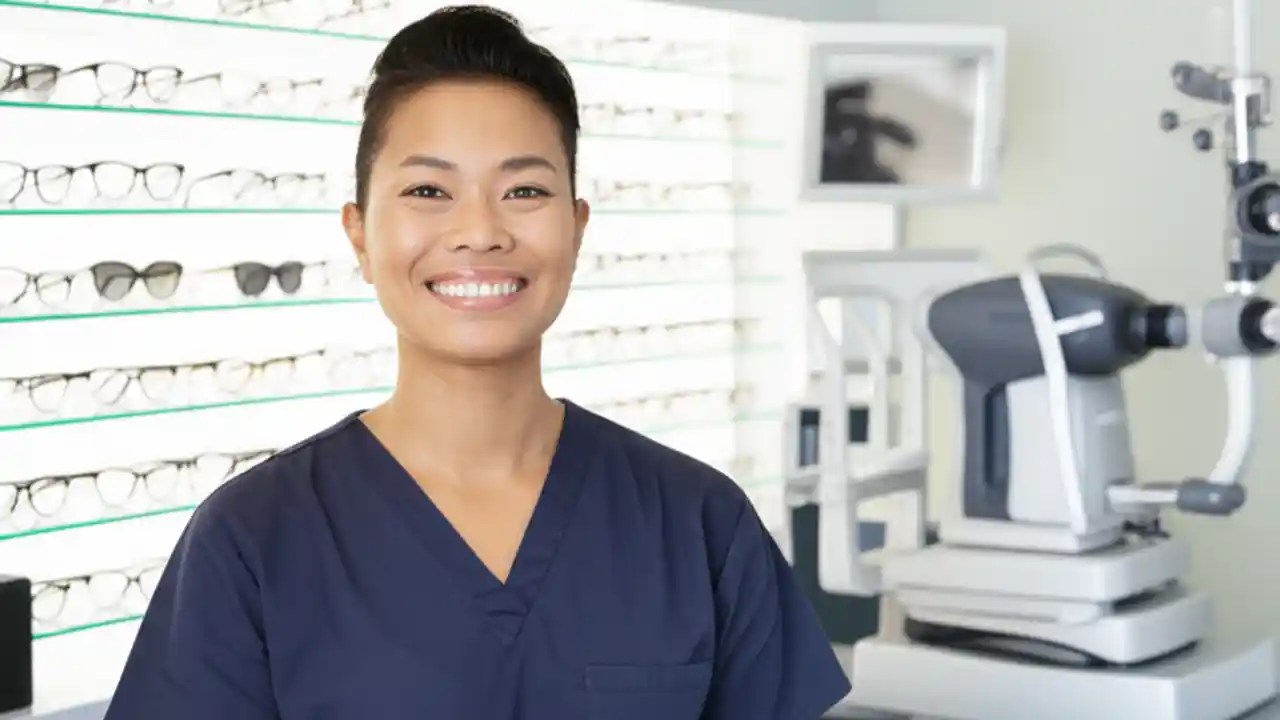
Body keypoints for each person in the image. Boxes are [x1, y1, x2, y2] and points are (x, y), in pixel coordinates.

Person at [104, 5, 852, 718]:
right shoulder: (253, 540)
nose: (480, 231)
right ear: (360, 236)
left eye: (524, 189)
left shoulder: (696, 525)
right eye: (428, 189)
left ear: (577, 227)